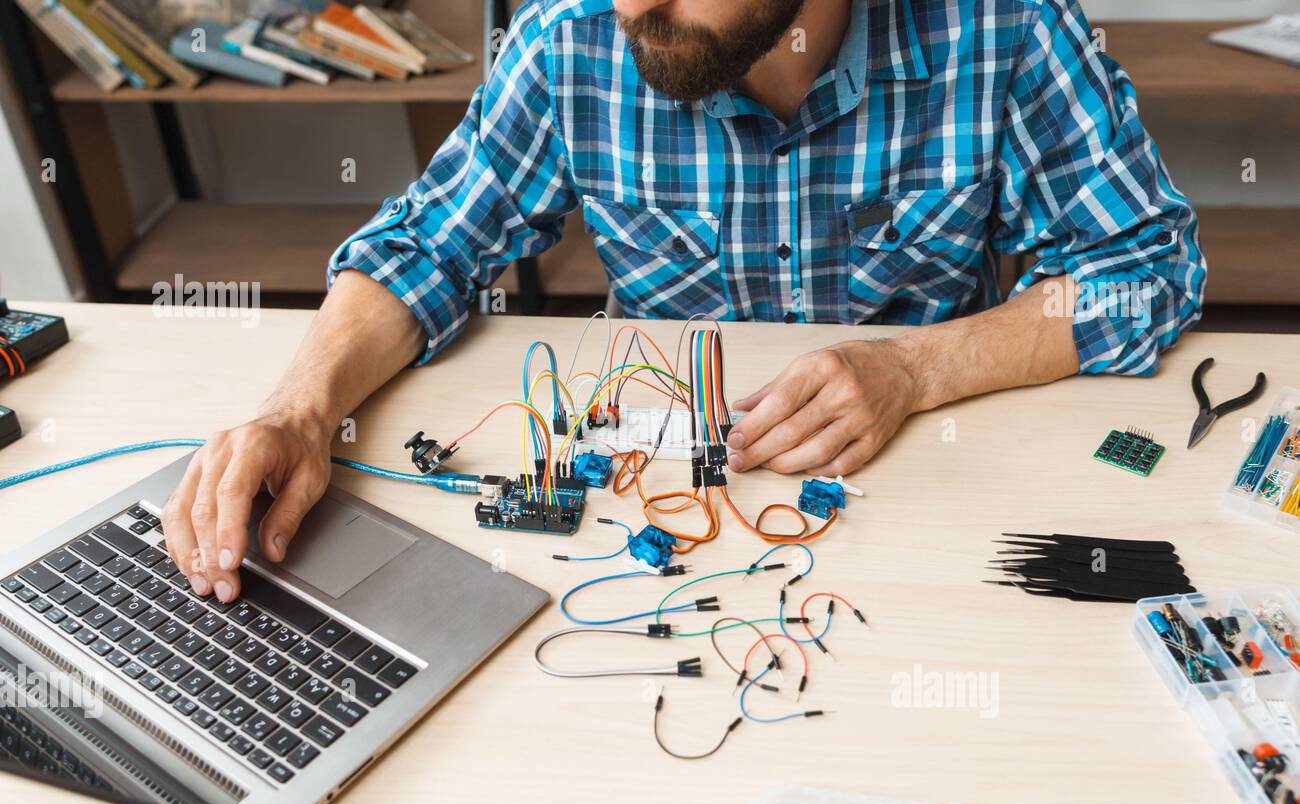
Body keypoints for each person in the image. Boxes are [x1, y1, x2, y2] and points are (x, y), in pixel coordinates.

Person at [162, 0, 1205, 604]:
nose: (630, 8)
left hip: (935, 514)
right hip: (655, 537)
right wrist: (299, 407)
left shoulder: (1005, 27)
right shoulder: (572, 37)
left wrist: (916, 366)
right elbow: (426, 245)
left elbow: (1147, 268)